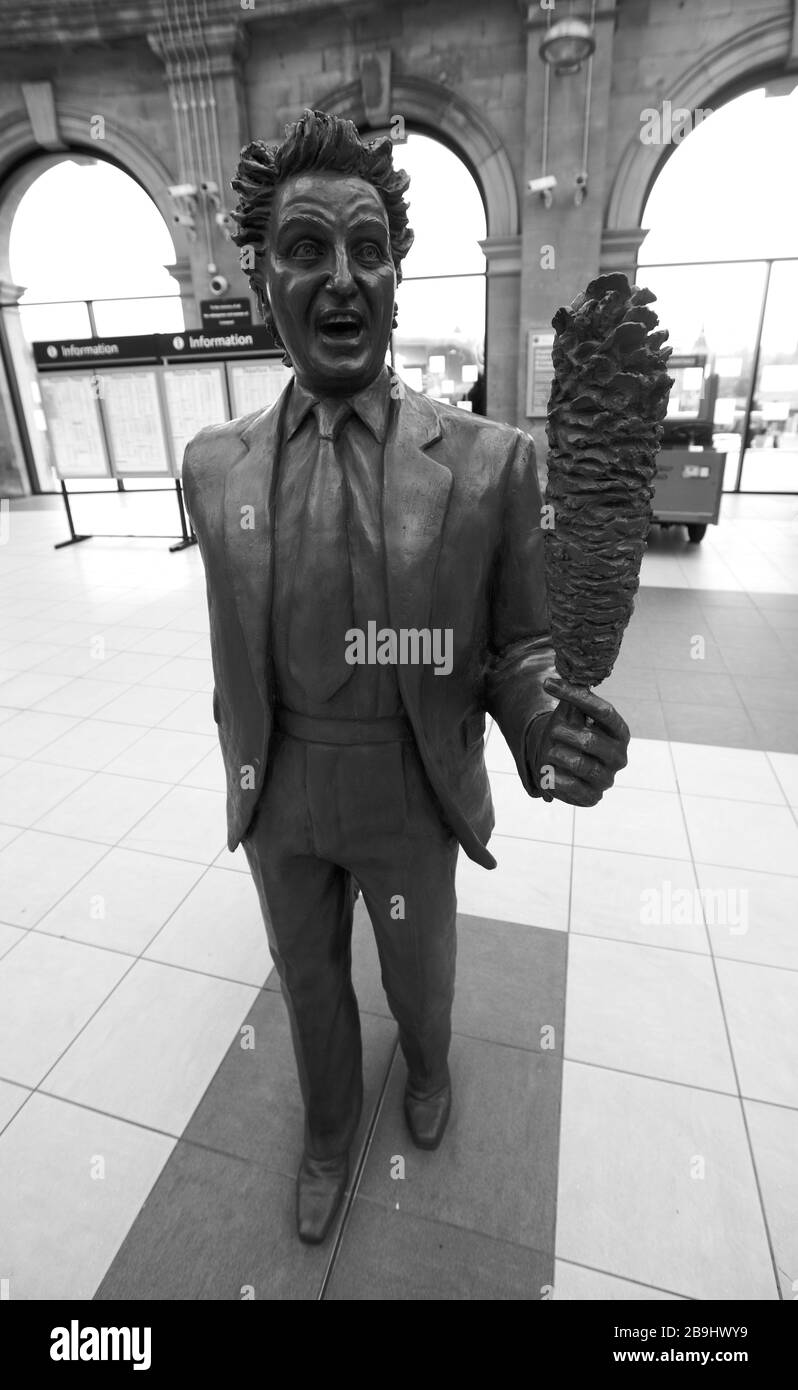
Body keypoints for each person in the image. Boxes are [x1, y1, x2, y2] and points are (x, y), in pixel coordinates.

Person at [182, 110, 629, 1244]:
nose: (343, 279)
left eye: (369, 248)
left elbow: (518, 647)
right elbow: (232, 629)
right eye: (305, 249)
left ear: (396, 272)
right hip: (278, 786)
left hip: (406, 784)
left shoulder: (488, 468)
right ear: (260, 273)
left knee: (417, 967)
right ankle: (329, 1129)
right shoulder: (212, 465)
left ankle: (428, 1065)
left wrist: (543, 726)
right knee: (308, 980)